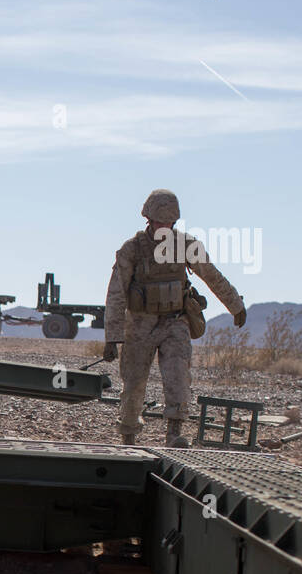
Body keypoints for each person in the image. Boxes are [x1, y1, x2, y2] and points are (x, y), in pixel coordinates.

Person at [102, 189, 247, 447]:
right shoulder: (131, 250)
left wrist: (235, 305)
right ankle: (128, 435)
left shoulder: (186, 246)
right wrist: (112, 337)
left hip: (174, 321)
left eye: (169, 223)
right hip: (139, 325)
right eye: (159, 222)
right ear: (148, 219)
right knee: (134, 382)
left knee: (178, 375)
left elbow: (212, 275)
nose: (163, 227)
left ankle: (174, 433)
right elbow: (116, 293)